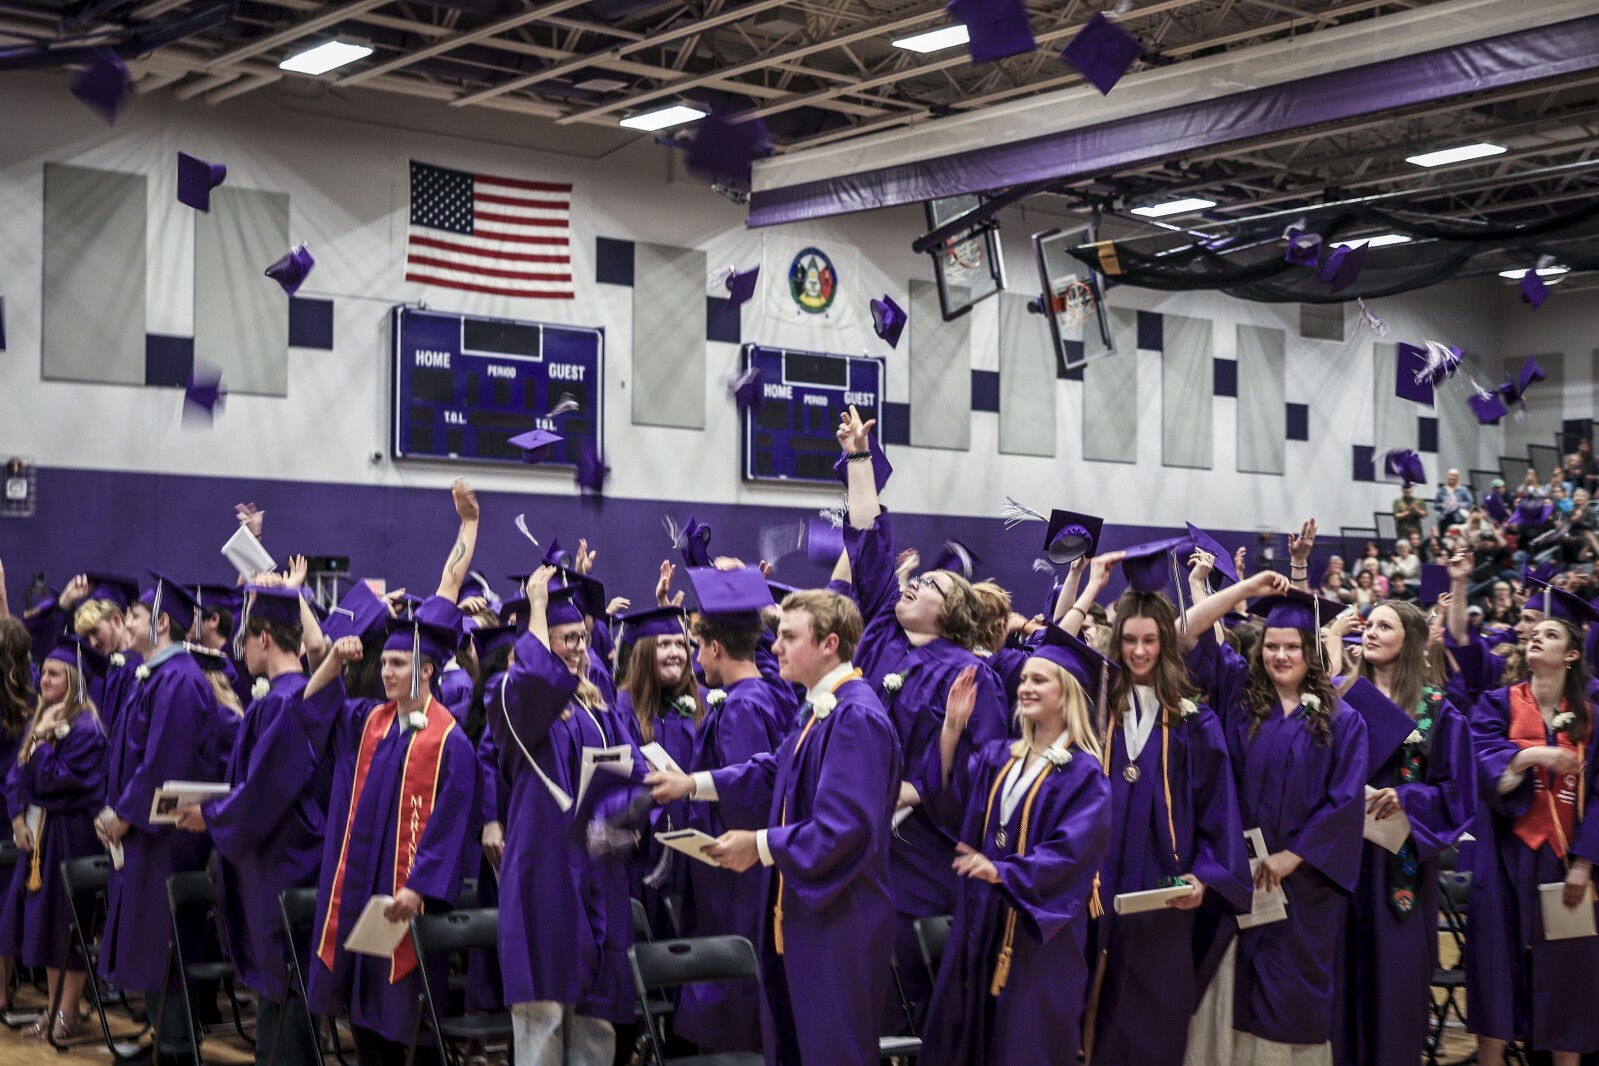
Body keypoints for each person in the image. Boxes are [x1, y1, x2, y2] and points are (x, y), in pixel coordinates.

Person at [647, 588, 900, 1066]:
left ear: (830, 644)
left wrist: (759, 845)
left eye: (788, 636)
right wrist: (691, 784)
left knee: (831, 1052)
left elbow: (844, 829)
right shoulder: (822, 707)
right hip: (812, 913)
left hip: (840, 917)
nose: (775, 646)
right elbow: (772, 770)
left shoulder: (855, 717)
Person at [835, 404, 1007, 1022]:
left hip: (922, 855)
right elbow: (869, 546)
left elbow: (981, 774)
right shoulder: (882, 637)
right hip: (862, 842)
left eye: (930, 585)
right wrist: (859, 457)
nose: (913, 585)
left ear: (954, 614)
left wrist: (911, 788)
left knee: (912, 999)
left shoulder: (971, 675)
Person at [1069, 549, 1252, 1066]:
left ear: (1167, 643)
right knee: (1091, 1016)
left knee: (1155, 1022)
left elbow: (1220, 811)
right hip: (1096, 893)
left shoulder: (1194, 723)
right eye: (1130, 639)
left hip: (1164, 901)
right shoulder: (1094, 710)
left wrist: (1206, 879)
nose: (1140, 651)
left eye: (1151, 640)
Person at [1180, 573, 1368, 1065]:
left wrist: (1294, 855)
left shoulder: (1343, 720)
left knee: (1286, 997)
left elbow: (1345, 801)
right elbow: (1188, 638)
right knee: (1222, 980)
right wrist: (1234, 591)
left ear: (1310, 651)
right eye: (1271, 646)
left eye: (1292, 647)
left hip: (1301, 890)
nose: (1279, 657)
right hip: (1235, 876)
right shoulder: (1241, 697)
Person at [917, 626, 1113, 1066]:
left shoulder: (1085, 775)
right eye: (1023, 678)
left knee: (1024, 1044)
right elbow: (947, 805)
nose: (1025, 687)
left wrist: (1002, 872)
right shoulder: (997, 757)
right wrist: (951, 730)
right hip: (981, 924)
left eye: (1039, 680)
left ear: (1067, 694)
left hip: (1037, 940)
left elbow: (1073, 853)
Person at [298, 610, 477, 1066]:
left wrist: (418, 887)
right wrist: (335, 659)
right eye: (384, 664)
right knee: (364, 1017)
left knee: (409, 1019)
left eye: (398, 663)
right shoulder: (370, 721)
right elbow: (312, 706)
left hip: (407, 900)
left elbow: (449, 826)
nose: (387, 672)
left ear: (427, 669)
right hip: (363, 895)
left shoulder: (450, 741)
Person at [490, 568, 649, 1066]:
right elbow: (535, 678)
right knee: (543, 1019)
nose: (579, 648)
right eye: (566, 639)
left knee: (595, 1028)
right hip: (545, 876)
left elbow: (637, 771)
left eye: (582, 637)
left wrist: (620, 823)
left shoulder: (597, 711)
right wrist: (536, 605)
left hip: (600, 871)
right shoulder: (512, 701)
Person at [173, 582, 332, 1066]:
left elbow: (266, 790)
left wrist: (211, 815)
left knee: (285, 985)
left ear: (264, 639)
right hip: (285, 858)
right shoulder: (293, 696)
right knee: (280, 988)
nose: (241, 650)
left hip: (283, 862)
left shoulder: (284, 702)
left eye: (246, 639)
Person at [95, 572, 230, 1065]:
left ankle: (175, 1046)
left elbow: (163, 763)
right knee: (149, 946)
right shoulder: (154, 675)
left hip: (165, 839)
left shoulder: (177, 679)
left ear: (162, 621)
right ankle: (162, 1036)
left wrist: (125, 815)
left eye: (133, 614)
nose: (126, 622)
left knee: (164, 947)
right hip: (145, 837)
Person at [1334, 601, 1475, 1066]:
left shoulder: (1437, 710)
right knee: (1343, 982)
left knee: (1395, 985)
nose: (1370, 632)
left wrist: (1408, 798)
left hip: (1402, 871)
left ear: (1410, 639)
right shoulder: (1342, 697)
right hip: (1343, 867)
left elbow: (1458, 795)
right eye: (1368, 625)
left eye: (1384, 626)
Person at [1464, 610, 1599, 1065]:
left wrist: (1584, 862)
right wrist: (1536, 754)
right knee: (1494, 967)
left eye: (1551, 634)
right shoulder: (1497, 703)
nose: (1537, 637)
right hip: (1503, 852)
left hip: (1564, 861)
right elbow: (1479, 760)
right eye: (1535, 633)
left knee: (1569, 972)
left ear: (1572, 654)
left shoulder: (1590, 718)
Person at [672, 564, 788, 1054]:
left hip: (738, 881)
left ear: (715, 647)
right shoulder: (774, 691)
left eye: (698, 645)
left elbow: (748, 799)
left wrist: (688, 794)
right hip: (756, 872)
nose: (696, 656)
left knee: (736, 1006)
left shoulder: (741, 706)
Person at [0, 636, 105, 1039]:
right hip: (39, 834)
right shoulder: (41, 719)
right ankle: (51, 1007)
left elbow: (53, 781)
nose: (43, 680)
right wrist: (16, 819)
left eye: (54, 674)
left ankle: (68, 1012)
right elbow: (16, 777)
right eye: (43, 672)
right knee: (43, 924)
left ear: (75, 681)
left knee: (68, 925)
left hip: (71, 837)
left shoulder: (86, 729)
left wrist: (41, 743)